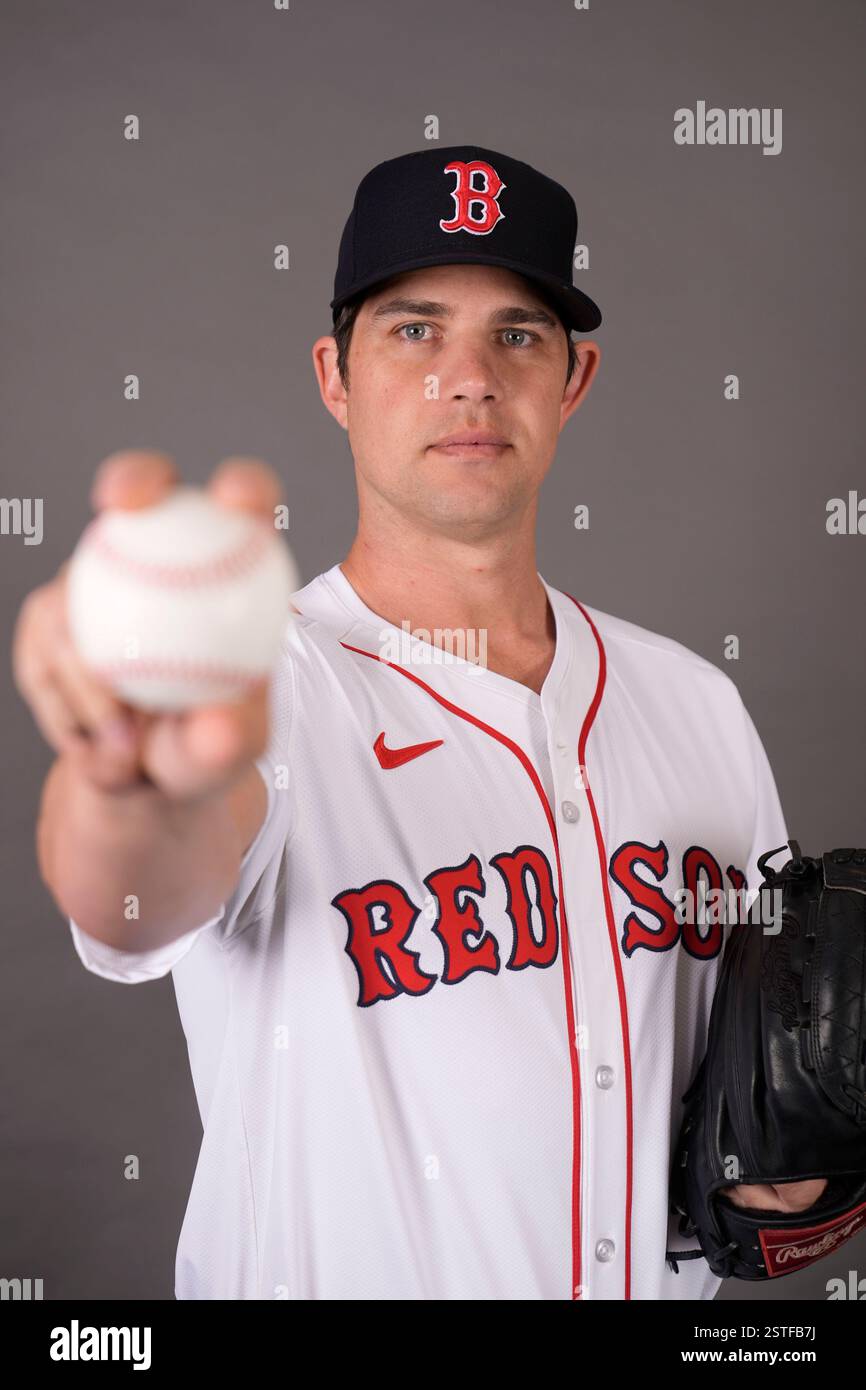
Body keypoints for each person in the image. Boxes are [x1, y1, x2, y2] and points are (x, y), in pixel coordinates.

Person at [12, 145, 824, 1300]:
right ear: (332, 376)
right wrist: (127, 782)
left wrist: (794, 1167)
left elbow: (774, 1087)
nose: (468, 376)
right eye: (411, 329)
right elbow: (130, 902)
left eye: (516, 334)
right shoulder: (259, 690)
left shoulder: (697, 705)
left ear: (572, 379)